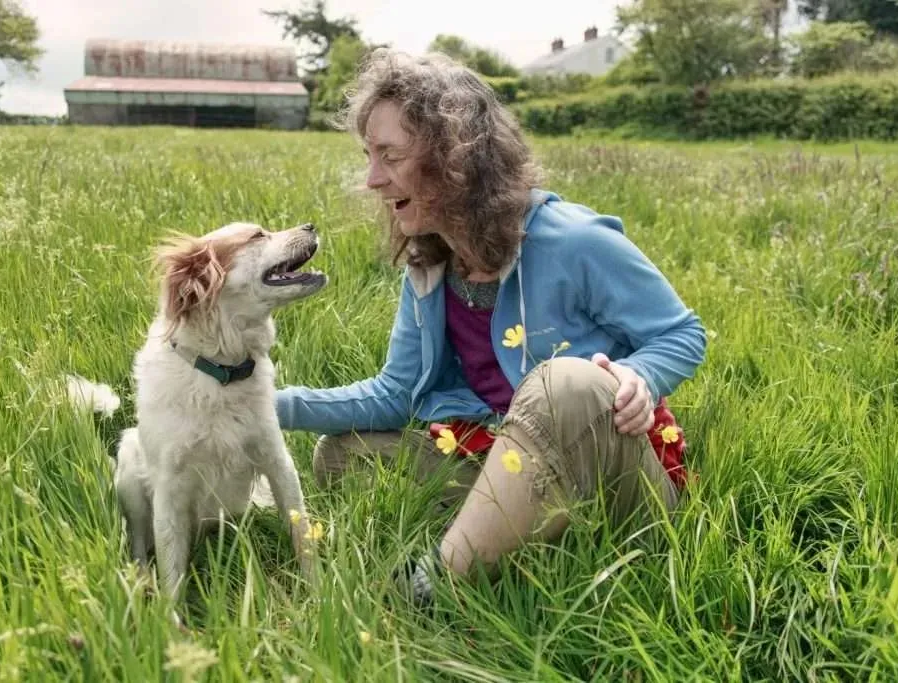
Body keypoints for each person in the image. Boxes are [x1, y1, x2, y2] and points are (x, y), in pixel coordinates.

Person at [275, 48, 707, 609]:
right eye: (369, 156)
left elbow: (682, 333)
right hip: (502, 453)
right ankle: (516, 540)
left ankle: (435, 583)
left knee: (564, 382)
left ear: (456, 157)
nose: (373, 180)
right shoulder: (431, 267)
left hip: (615, 480)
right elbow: (397, 394)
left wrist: (637, 377)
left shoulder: (573, 239)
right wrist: (263, 402)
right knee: (342, 454)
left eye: (390, 156)